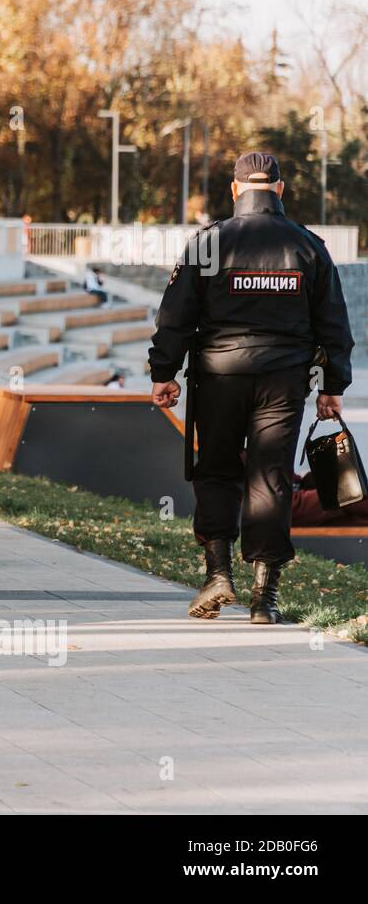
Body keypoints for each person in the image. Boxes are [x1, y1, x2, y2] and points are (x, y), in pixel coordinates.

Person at [149, 151, 354, 625]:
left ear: (236, 189)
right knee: (271, 477)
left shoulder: (207, 243)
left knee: (217, 471)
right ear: (279, 189)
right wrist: (332, 385)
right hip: (283, 381)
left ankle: (218, 573)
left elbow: (174, 317)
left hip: (218, 377)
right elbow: (334, 324)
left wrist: (164, 373)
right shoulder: (309, 246)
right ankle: (266, 598)